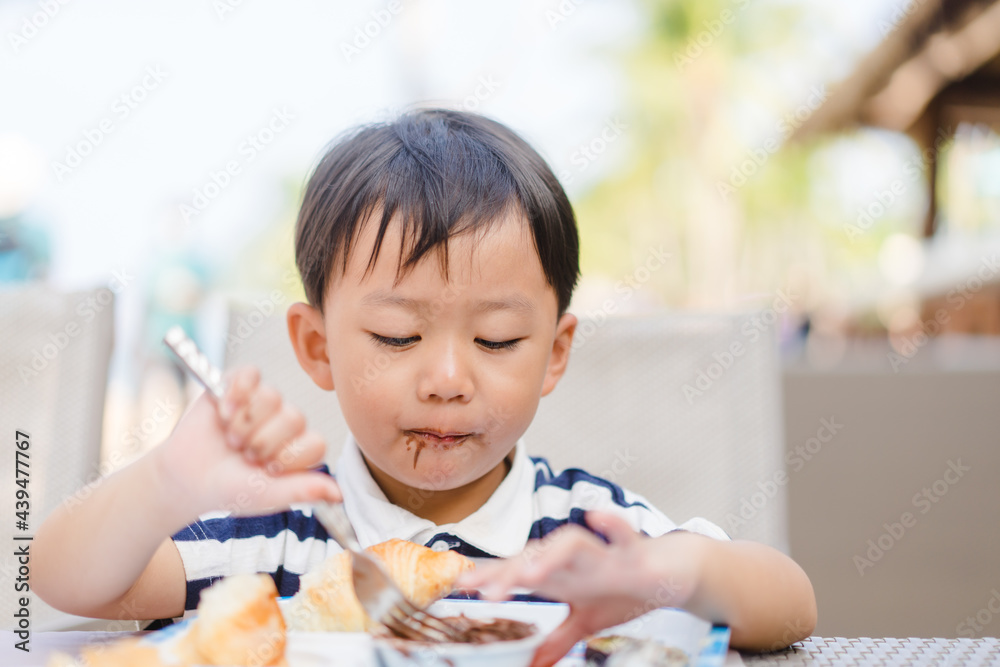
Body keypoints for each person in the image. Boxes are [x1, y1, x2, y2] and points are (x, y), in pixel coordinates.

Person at [33, 109, 816, 664]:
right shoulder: (285, 533)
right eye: (398, 336)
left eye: (497, 339)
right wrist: (167, 481)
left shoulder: (582, 539)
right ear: (317, 346)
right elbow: (68, 581)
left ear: (553, 351)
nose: (447, 379)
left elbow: (789, 603)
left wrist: (665, 576)